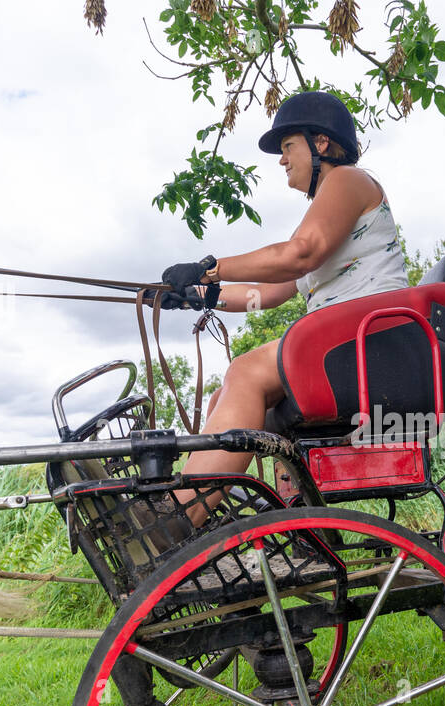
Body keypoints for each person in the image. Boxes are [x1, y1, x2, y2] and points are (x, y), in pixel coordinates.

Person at [159, 90, 408, 485]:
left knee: (244, 372)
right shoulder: (327, 211)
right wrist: (202, 297)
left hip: (369, 341)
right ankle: (286, 519)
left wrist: (209, 269)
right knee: (223, 399)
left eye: (288, 146)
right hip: (351, 343)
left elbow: (298, 254)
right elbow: (272, 292)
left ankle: (182, 513)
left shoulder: (347, 179)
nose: (282, 158)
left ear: (321, 143)